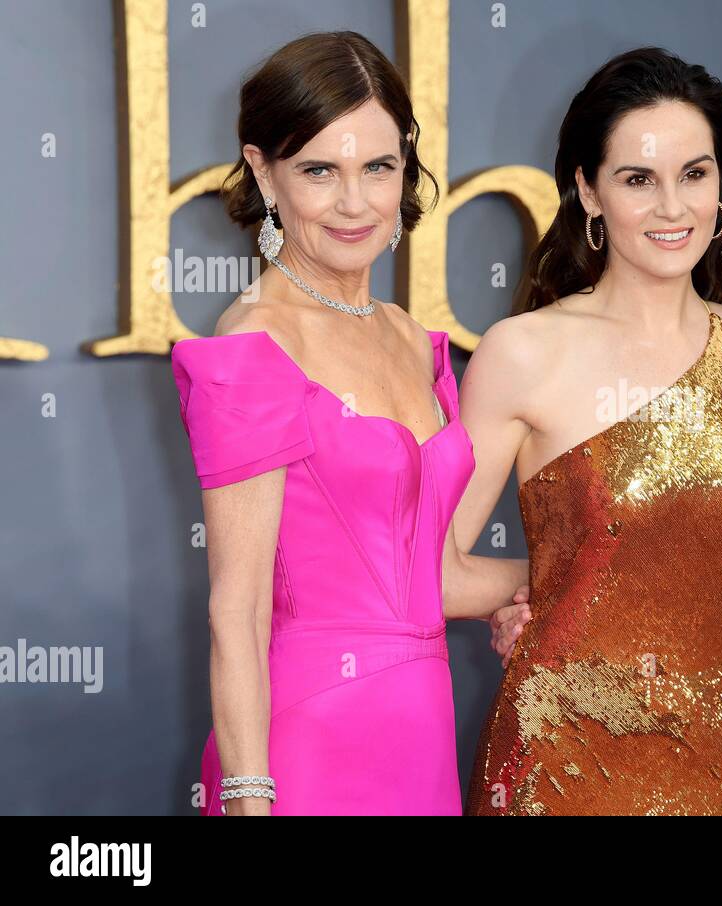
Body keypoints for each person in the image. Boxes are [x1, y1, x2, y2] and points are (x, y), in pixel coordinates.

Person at [459, 47, 722, 815]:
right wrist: (545, 584)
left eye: (694, 173)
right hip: (562, 767)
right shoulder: (522, 354)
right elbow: (435, 567)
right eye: (637, 179)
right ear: (588, 190)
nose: (672, 208)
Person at [170, 31, 525, 815]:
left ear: (406, 169)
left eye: (379, 167)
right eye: (319, 170)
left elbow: (426, 581)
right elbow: (238, 608)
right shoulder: (253, 347)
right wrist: (249, 800)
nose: (355, 201)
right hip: (307, 746)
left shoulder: (409, 337)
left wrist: (544, 584)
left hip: (422, 740)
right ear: (264, 172)